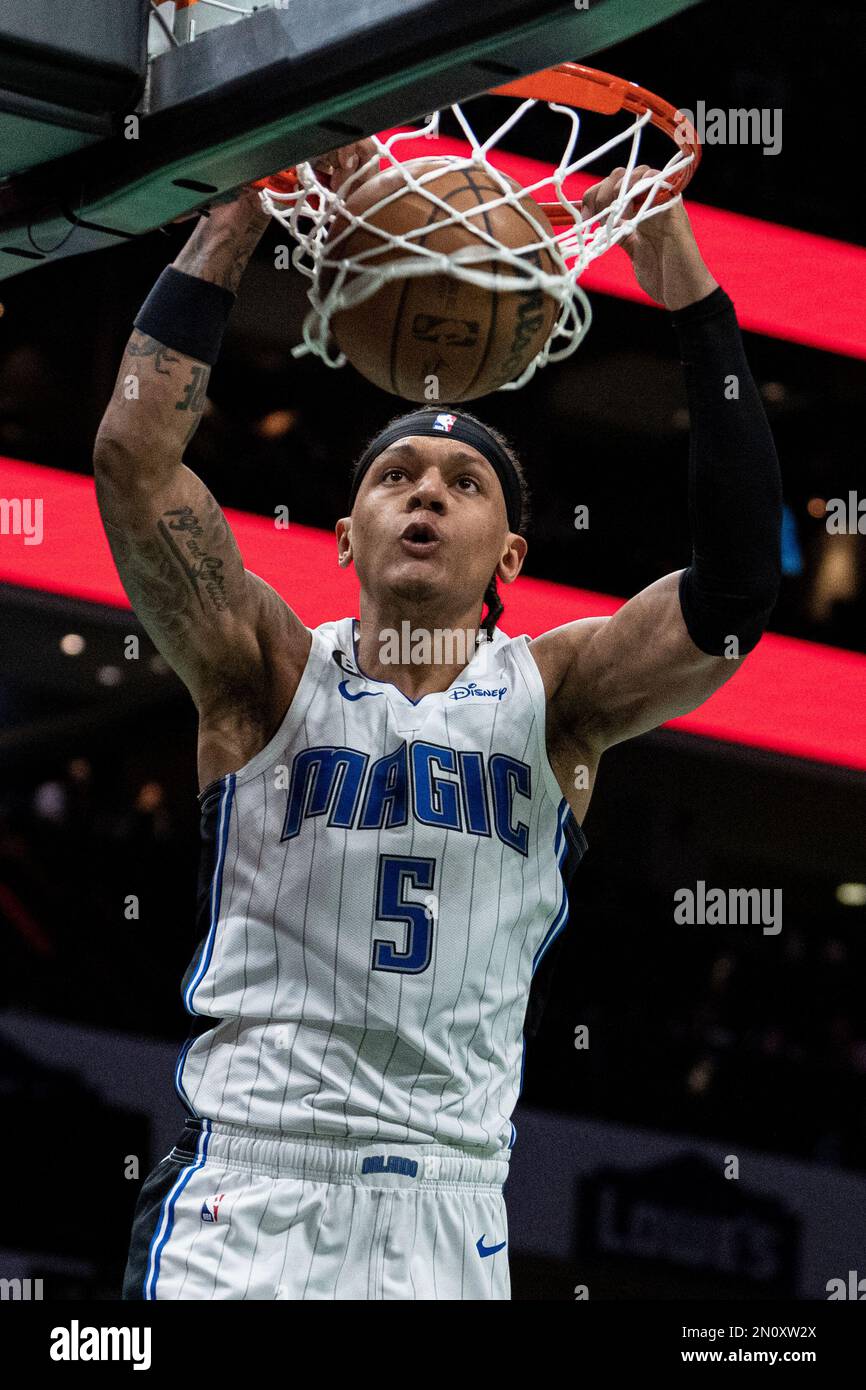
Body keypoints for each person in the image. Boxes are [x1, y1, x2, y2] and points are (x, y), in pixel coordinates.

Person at [92, 141, 781, 1300]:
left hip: (450, 1212)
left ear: (509, 552)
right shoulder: (262, 672)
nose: (424, 491)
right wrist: (234, 219)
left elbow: (734, 590)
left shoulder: (558, 698)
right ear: (347, 533)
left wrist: (695, 305)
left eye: (461, 485)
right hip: (251, 1190)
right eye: (395, 476)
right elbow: (132, 457)